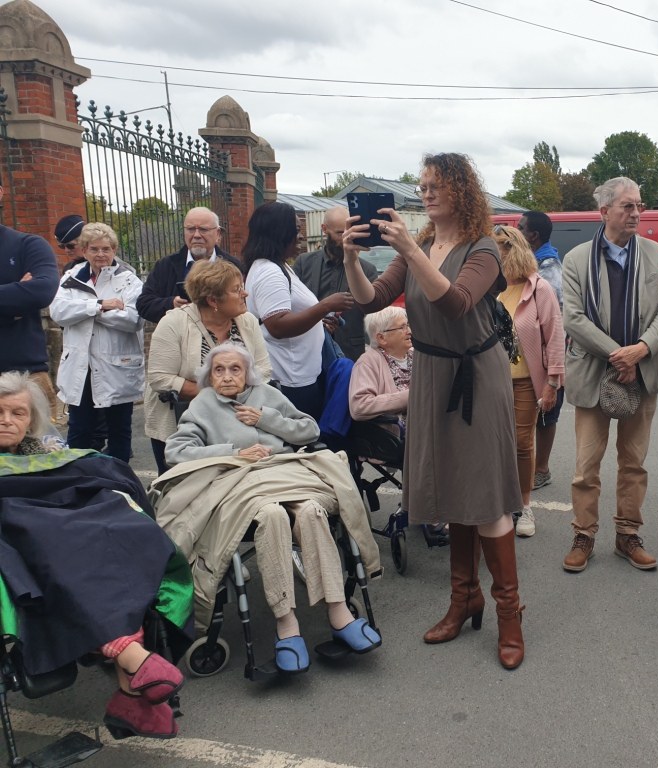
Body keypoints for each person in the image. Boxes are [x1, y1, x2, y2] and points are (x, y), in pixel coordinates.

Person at [341, 152, 525, 669]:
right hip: (433, 374)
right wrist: (353, 258)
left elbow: (456, 302)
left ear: (461, 190)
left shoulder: (484, 247)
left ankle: (510, 613)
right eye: (421, 185)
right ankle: (463, 598)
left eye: (435, 185)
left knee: (485, 497)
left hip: (475, 376)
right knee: (451, 490)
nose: (424, 192)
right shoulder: (420, 243)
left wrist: (406, 247)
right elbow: (372, 298)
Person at [162, 344, 381, 672]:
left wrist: (267, 418)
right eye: (219, 370)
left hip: (288, 470)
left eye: (235, 369)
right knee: (273, 515)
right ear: (210, 375)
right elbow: (176, 451)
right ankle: (287, 625)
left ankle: (339, 612)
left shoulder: (266, 393)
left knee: (311, 510)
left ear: (247, 372)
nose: (227, 376)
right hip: (240, 481)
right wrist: (233, 452)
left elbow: (310, 429)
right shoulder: (203, 403)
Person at [0, 372, 193, 740]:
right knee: (59, 547)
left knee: (120, 532)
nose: (7, 420)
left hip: (69, 530)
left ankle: (130, 690)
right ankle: (132, 664)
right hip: (23, 538)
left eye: (17, 413)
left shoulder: (47, 453)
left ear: (31, 421)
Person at [560, 177, 658, 574]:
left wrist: (640, 350)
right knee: (585, 467)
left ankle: (628, 534)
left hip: (641, 375)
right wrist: (617, 354)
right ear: (604, 211)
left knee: (634, 463)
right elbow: (573, 318)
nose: (636, 213)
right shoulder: (576, 259)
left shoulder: (655, 254)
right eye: (628, 206)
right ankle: (584, 534)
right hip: (594, 375)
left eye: (639, 206)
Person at [144, 259, 272, 475]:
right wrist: (216, 398)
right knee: (185, 489)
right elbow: (160, 378)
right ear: (213, 300)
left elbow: (264, 371)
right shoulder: (174, 323)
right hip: (182, 424)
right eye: (236, 289)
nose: (245, 294)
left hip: (239, 423)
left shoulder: (247, 321)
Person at [243, 202, 354, 421]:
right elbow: (277, 325)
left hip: (300, 371)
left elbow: (285, 314)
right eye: (296, 230)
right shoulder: (270, 273)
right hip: (291, 378)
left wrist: (319, 319)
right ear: (279, 233)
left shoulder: (279, 267)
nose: (301, 236)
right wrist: (325, 306)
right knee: (303, 437)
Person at [49, 223, 144, 463]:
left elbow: (133, 319)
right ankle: (77, 480)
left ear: (114, 250)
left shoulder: (128, 280)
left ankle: (120, 480)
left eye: (106, 249)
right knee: (79, 431)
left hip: (117, 366)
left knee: (119, 432)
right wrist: (100, 305)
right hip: (81, 367)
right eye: (94, 249)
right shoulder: (71, 277)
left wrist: (84, 313)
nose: (101, 254)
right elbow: (58, 312)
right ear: (84, 250)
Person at [493, 224, 564, 538]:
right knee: (493, 445)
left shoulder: (539, 288)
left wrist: (552, 383)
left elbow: (555, 337)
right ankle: (497, 502)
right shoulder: (486, 287)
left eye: (498, 249)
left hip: (524, 382)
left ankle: (524, 506)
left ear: (513, 251)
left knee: (522, 444)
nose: (491, 255)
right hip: (488, 382)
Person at [0, 182, 60, 422]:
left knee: (40, 455)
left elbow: (42, 291)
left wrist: (28, 294)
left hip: (27, 377)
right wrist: (16, 300)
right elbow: (28, 295)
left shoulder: (28, 245)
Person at [293, 205, 379, 360]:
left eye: (349, 232)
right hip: (309, 351)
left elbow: (374, 316)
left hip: (350, 354)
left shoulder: (367, 270)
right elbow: (292, 306)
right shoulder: (303, 263)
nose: (346, 238)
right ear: (324, 229)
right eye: (340, 233)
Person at [517, 210, 564, 491]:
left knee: (546, 416)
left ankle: (541, 469)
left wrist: (553, 374)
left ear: (532, 236)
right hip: (523, 357)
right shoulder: (529, 265)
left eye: (520, 227)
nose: (517, 230)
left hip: (546, 358)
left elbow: (555, 326)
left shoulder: (548, 270)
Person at [136, 207, 239, 323]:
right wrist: (171, 303)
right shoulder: (165, 266)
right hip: (179, 338)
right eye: (190, 229)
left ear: (218, 234)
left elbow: (244, 306)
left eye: (203, 229)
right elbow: (143, 304)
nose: (196, 235)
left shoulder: (234, 266)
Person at [348, 305, 412, 431]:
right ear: (381, 338)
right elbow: (360, 406)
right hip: (401, 434)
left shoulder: (418, 355)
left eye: (408, 325)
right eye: (402, 327)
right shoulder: (368, 362)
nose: (409, 331)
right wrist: (411, 396)